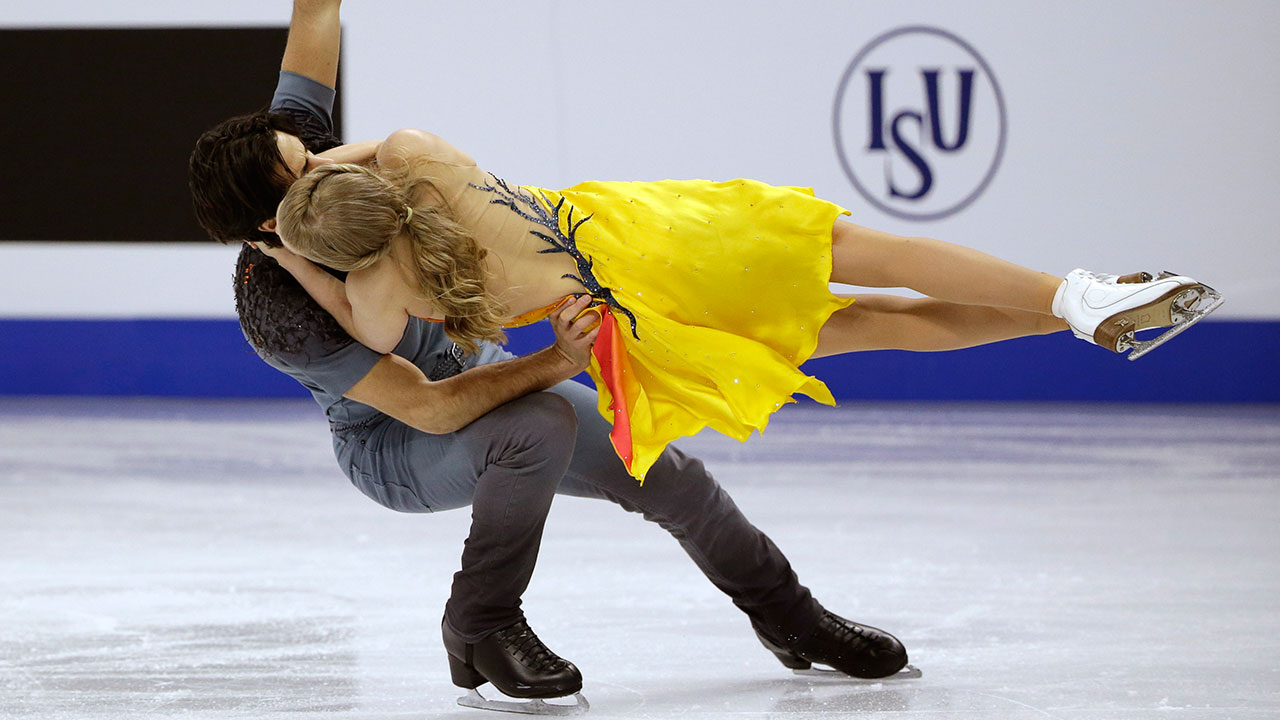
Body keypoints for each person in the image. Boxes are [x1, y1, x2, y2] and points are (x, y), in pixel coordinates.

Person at [187, 1, 912, 712]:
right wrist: (556, 363)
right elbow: (428, 408)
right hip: (395, 442)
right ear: (270, 225)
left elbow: (315, 16)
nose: (324, 161)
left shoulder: (292, 161)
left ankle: (789, 614)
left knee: (669, 477)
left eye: (312, 149)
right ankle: (480, 623)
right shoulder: (279, 312)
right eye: (307, 165)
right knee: (536, 428)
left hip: (474, 378)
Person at [269, 147, 1221, 482]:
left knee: (869, 321)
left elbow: (360, 327)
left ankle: (1073, 321)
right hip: (652, 230)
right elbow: (338, 173)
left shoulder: (381, 294)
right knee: (861, 252)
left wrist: (281, 250)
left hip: (639, 309)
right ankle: (1078, 296)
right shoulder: (414, 150)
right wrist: (311, 186)